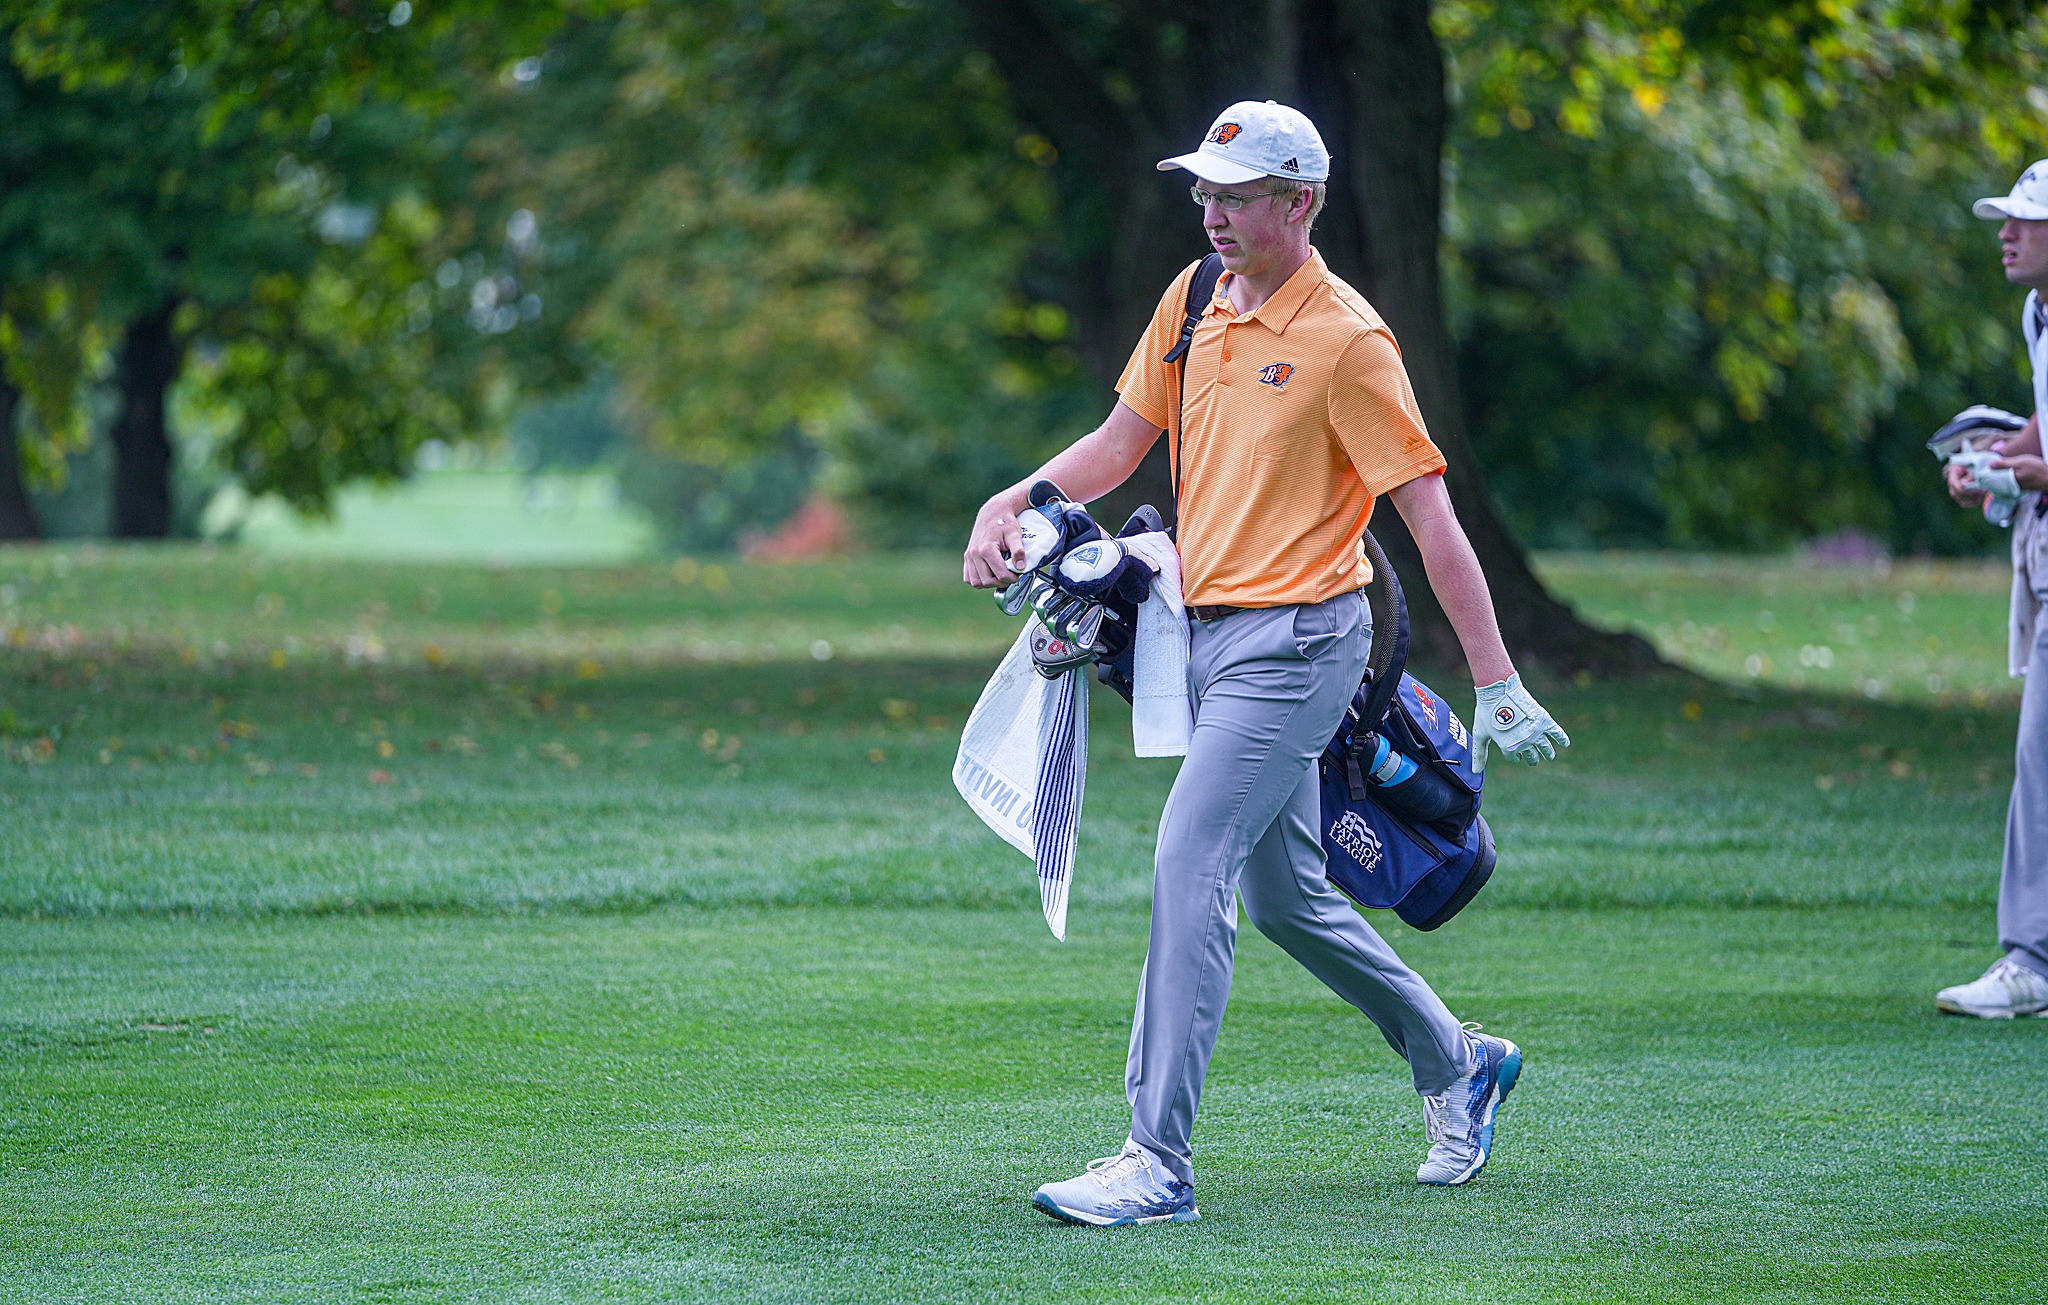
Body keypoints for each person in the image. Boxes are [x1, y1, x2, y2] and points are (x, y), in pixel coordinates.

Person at [960, 101, 1571, 1225]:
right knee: (1286, 898)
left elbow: (1431, 520)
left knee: (1188, 856)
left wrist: (1496, 677)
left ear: (1299, 202)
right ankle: (1459, 1061)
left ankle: (1157, 1161)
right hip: (1201, 634)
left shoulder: (1349, 341)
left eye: (1236, 196)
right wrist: (1011, 500)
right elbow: (1116, 447)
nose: (1211, 212)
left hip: (1300, 645)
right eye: (1204, 191)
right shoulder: (1195, 297)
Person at [1935, 163, 2048, 1019]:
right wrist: (1996, 462)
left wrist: (2020, 475)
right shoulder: (2038, 311)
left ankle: (2032, 960)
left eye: (2025, 220)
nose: (2006, 233)